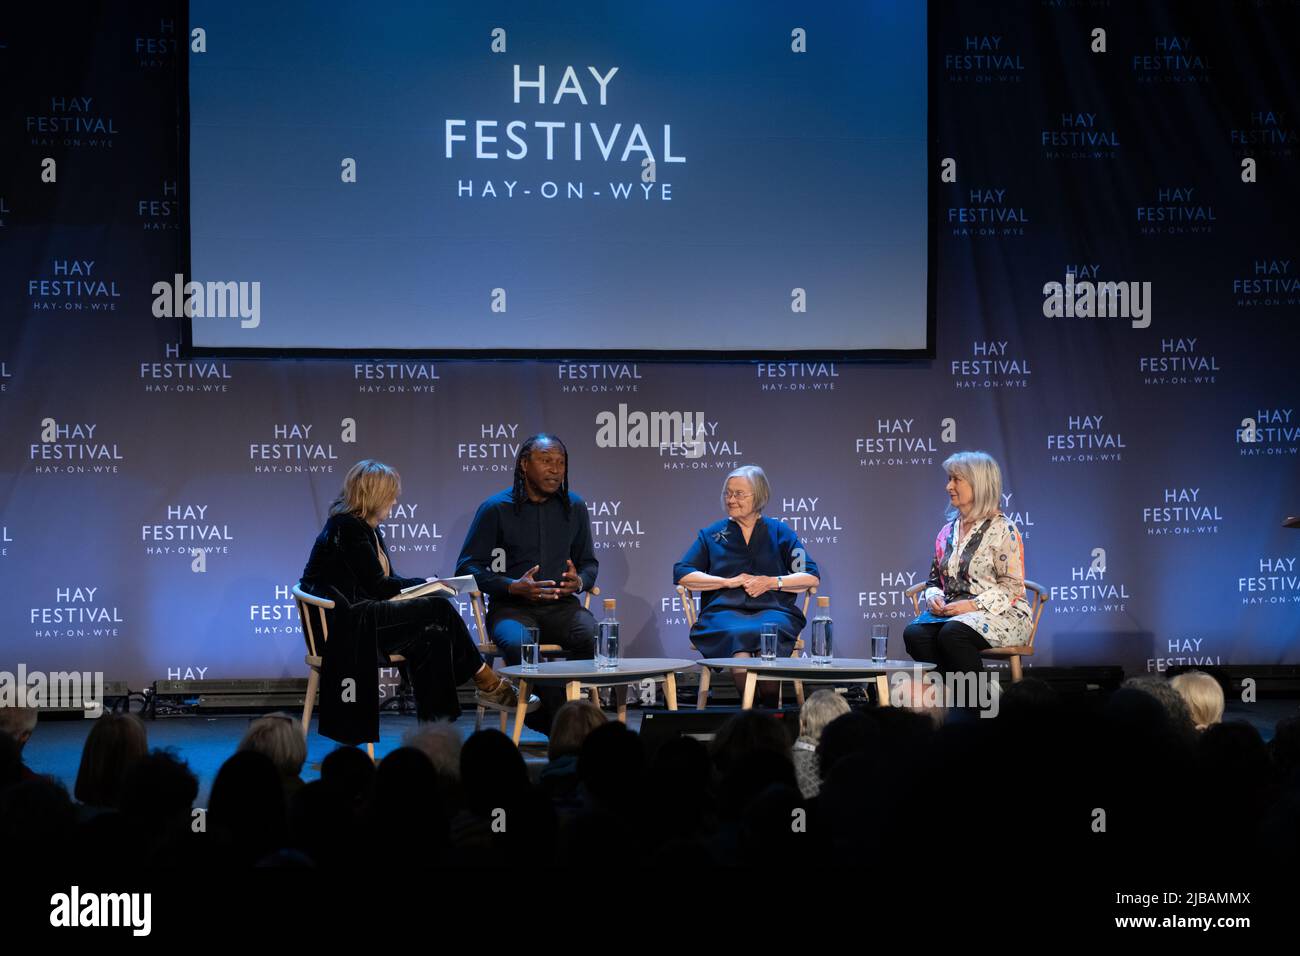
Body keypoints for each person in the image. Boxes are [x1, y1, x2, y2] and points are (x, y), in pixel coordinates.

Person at [302, 459, 532, 741]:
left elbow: (387, 582)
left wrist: (424, 585)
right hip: (350, 625)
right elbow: (380, 588)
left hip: (366, 616)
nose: (396, 501)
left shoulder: (366, 528)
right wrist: (426, 586)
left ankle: (437, 734)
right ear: (375, 495)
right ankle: (484, 676)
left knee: (433, 637)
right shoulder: (347, 527)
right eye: (392, 495)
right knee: (436, 608)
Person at [456, 434, 599, 730]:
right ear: (524, 464)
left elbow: (589, 563)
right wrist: (510, 585)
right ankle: (563, 726)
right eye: (546, 461)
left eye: (561, 463)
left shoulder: (574, 507)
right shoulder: (495, 508)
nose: (555, 469)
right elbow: (468, 566)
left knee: (593, 635)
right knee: (523, 646)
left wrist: (580, 581)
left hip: (563, 608)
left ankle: (568, 719)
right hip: (512, 609)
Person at [673, 465, 820, 700]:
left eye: (739, 494)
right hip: (723, 612)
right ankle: (748, 709)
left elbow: (810, 576)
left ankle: (772, 711)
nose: (731, 500)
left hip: (773, 610)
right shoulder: (712, 534)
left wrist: (771, 582)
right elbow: (683, 573)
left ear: (759, 495)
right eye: (728, 493)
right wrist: (727, 582)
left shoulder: (780, 532)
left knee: (767, 637)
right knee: (738, 642)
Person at [903, 451, 1032, 681]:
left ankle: (981, 706)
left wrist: (971, 605)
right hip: (954, 616)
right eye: (948, 479)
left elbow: (1012, 588)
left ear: (978, 484)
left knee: (953, 634)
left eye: (956, 479)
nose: (948, 486)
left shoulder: (1004, 530)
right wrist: (933, 596)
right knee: (915, 634)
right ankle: (953, 698)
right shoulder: (947, 532)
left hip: (1001, 615)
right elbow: (934, 580)